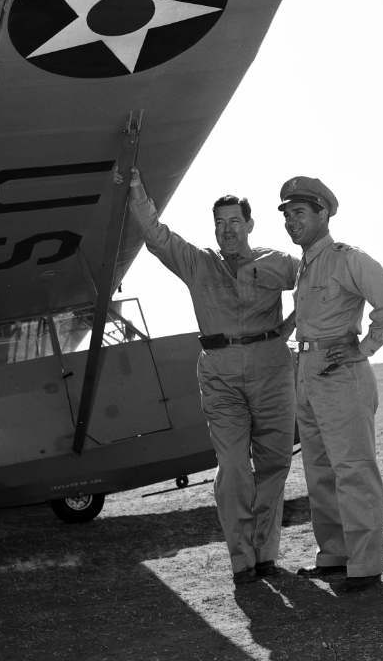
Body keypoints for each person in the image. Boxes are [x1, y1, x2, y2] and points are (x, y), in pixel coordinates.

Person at [122, 166, 299, 585]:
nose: (227, 230)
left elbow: (317, 281)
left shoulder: (279, 263)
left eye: (235, 222)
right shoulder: (197, 263)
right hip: (220, 374)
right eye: (220, 224)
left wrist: (290, 325)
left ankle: (266, 554)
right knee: (234, 466)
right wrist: (135, 188)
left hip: (273, 370)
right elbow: (156, 235)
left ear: (249, 224)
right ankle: (243, 561)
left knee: (274, 465)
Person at [278, 175, 383, 592]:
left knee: (353, 470)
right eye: (286, 215)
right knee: (320, 472)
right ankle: (335, 556)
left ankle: (365, 564)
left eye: (299, 212)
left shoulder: (348, 258)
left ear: (323, 213)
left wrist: (365, 347)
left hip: (341, 373)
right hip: (308, 372)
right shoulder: (307, 267)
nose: (291, 221)